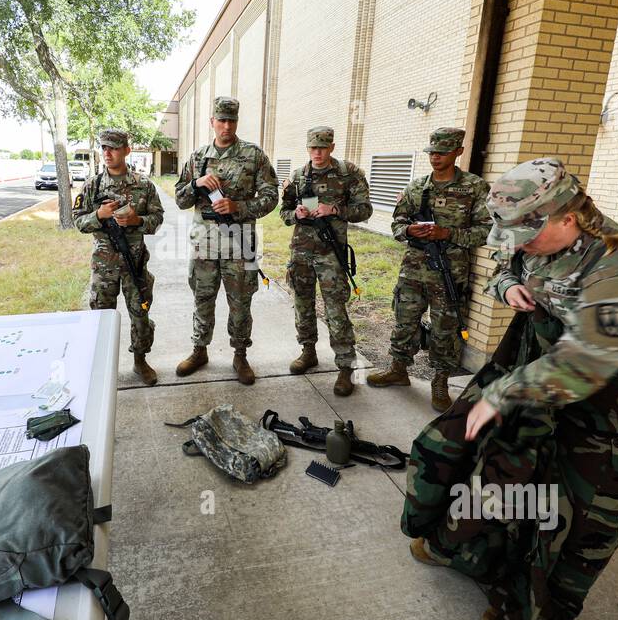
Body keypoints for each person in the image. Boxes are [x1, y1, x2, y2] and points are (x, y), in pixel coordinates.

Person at [400, 158, 618, 620]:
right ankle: (467, 549)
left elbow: (586, 363)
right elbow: (506, 264)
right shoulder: (530, 230)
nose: (517, 241)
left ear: (569, 217)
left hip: (614, 406)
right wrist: (507, 287)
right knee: (487, 462)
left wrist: (502, 393)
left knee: (584, 518)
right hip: (535, 365)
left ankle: (538, 618)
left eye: (527, 233)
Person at [367, 128, 491, 410]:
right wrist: (409, 229)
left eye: (442, 152)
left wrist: (447, 234)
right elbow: (397, 224)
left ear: (458, 152)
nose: (435, 157)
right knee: (404, 320)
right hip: (413, 269)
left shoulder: (474, 187)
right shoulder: (416, 187)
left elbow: (486, 231)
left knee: (444, 328)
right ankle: (398, 369)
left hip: (450, 271)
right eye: (432, 152)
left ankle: (440, 381)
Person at [173, 96, 279, 384]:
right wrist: (196, 184)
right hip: (204, 244)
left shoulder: (253, 155)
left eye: (231, 120)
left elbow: (271, 197)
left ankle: (240, 355)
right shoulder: (198, 158)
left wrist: (239, 207)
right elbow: (180, 199)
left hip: (239, 244)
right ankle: (199, 350)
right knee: (202, 299)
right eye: (221, 120)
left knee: (241, 303)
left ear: (236, 122)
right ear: (212, 122)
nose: (226, 125)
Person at [278, 125, 371, 396]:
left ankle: (345, 367)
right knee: (302, 305)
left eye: (322, 147)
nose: (317, 153)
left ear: (331, 147)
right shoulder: (298, 176)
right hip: (301, 253)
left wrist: (335, 210)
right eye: (312, 147)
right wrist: (295, 214)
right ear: (307, 148)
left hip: (331, 254)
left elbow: (365, 210)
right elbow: (283, 212)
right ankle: (308, 352)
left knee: (335, 310)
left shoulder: (348, 174)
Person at [73, 128, 164, 385]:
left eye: (113, 147)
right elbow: (78, 222)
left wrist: (137, 220)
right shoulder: (92, 185)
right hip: (104, 267)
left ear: (126, 149)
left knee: (140, 313)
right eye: (104, 148)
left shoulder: (143, 185)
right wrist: (98, 216)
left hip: (135, 263)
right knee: (101, 317)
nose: (108, 153)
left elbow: (157, 220)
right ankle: (103, 366)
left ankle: (140, 361)